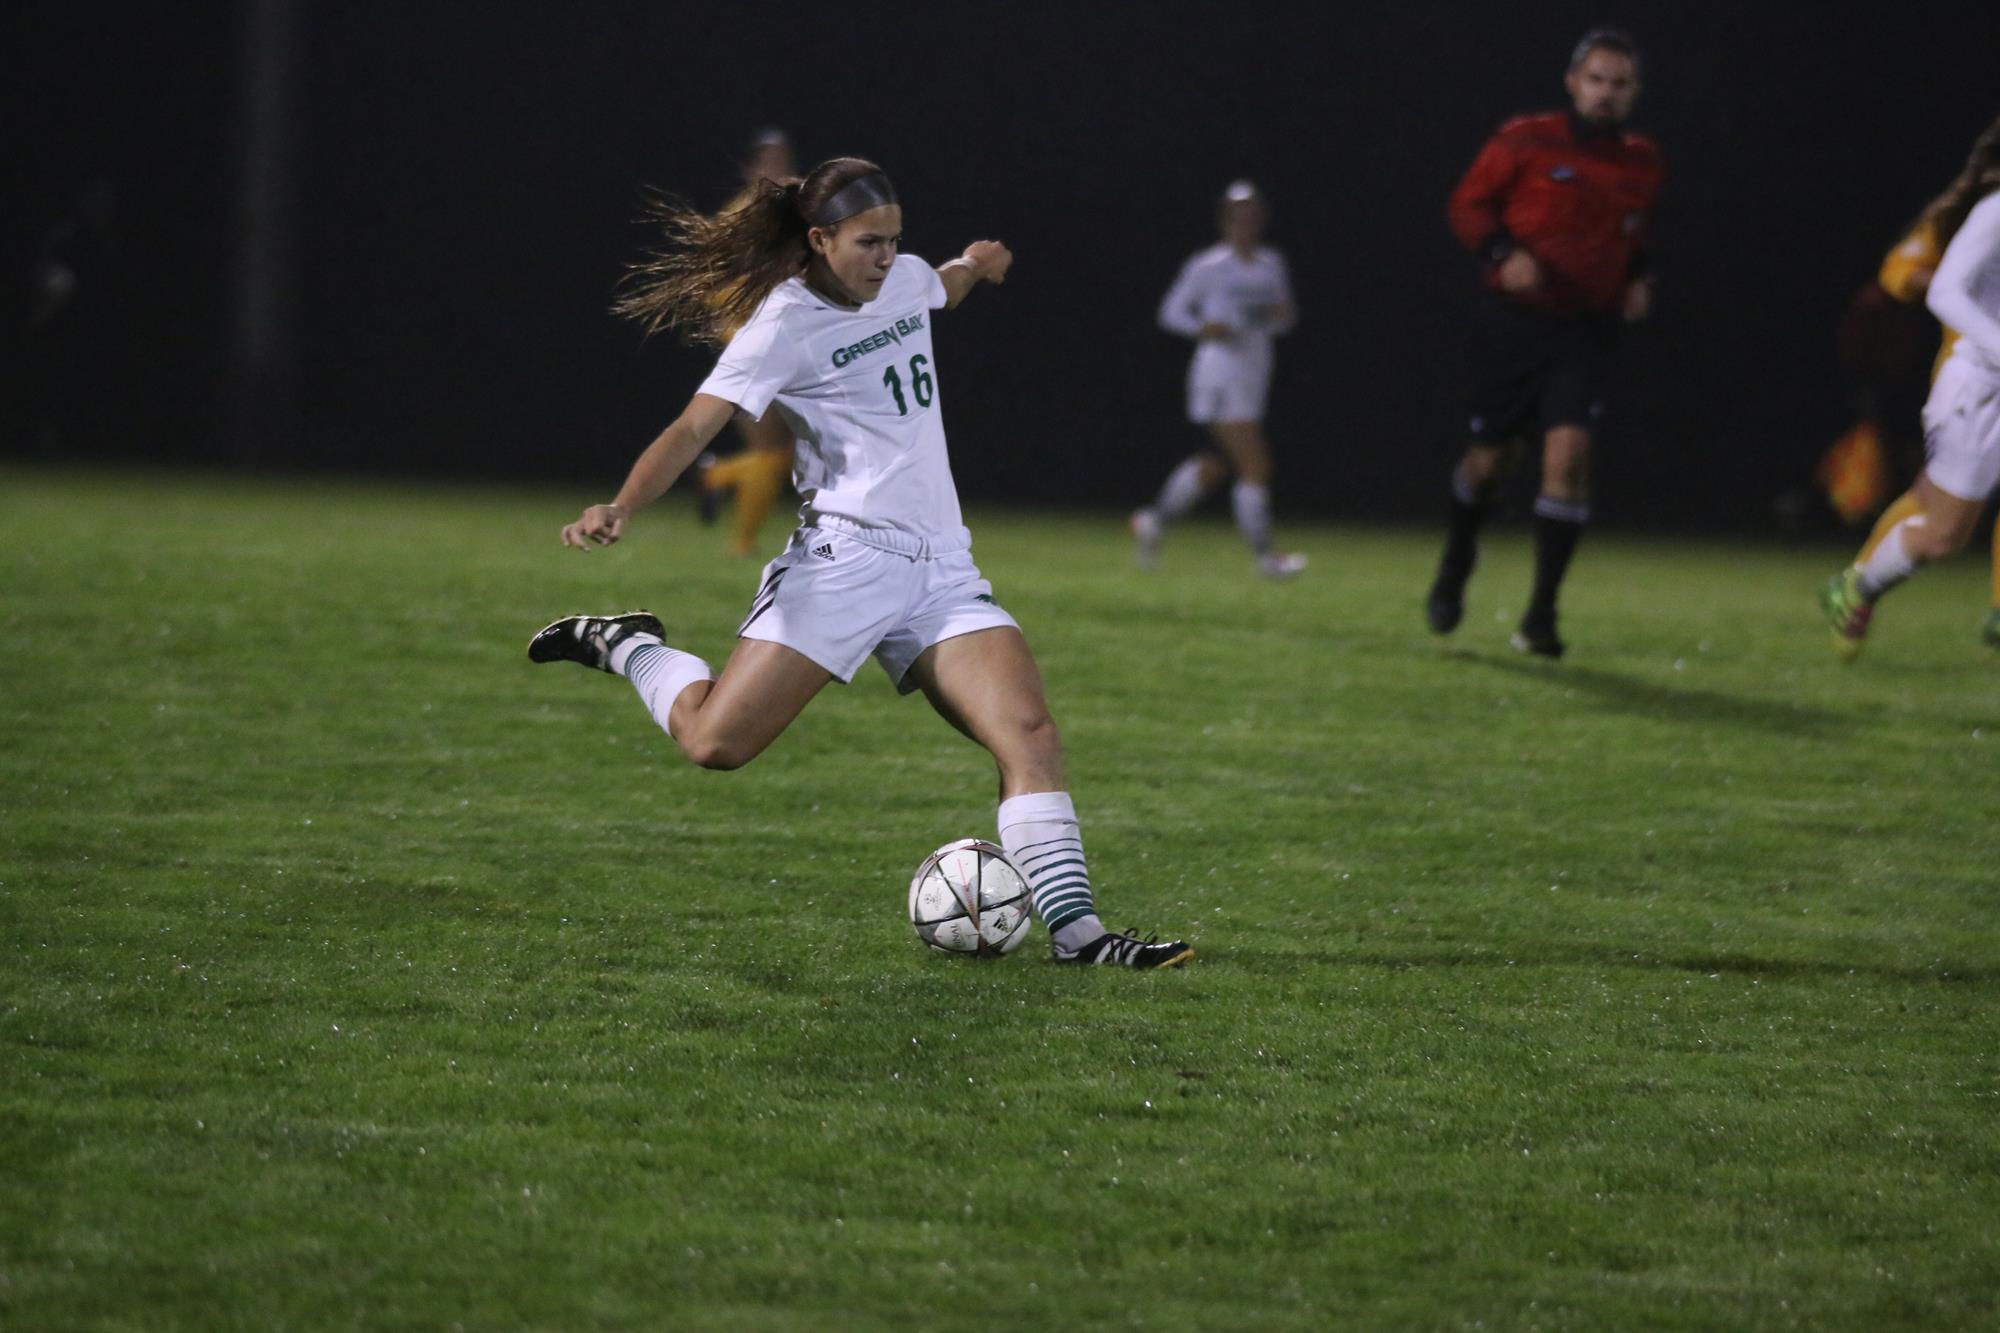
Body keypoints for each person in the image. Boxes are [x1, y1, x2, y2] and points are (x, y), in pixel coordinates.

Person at [530, 156, 1193, 969]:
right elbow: (692, 429)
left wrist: (978, 266)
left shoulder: (904, 278)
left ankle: (1081, 938)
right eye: (869, 242)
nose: (887, 257)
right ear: (820, 238)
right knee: (715, 744)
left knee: (1031, 735)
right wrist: (622, 505)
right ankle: (631, 643)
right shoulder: (784, 324)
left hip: (941, 568)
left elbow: (939, 284)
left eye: (895, 240)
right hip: (845, 564)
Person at [1424, 29, 1665, 658]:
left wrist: (1639, 277)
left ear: (1634, 92)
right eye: (1597, 79)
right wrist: (1504, 253)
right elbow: (1468, 205)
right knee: (1487, 465)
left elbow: (1631, 237)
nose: (1606, 93)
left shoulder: (1642, 161)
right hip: (1515, 324)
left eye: (1619, 83)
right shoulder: (1525, 139)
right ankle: (1456, 563)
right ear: (1573, 82)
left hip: (1585, 330)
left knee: (1570, 457)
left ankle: (1540, 615)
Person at [1820, 148, 2000, 660]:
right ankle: (1858, 586)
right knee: (1943, 533)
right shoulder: (1989, 209)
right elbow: (1936, 286)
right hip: (1980, 385)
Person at [1132, 181, 1306, 578]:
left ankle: (1153, 522)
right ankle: (1268, 559)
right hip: (1219, 374)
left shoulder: (1270, 265)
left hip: (1255, 374)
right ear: (1225, 221)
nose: (1246, 222)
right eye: (1237, 216)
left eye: (1252, 215)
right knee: (1256, 465)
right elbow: (1171, 312)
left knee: (1214, 466)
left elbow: (1284, 318)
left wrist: (1279, 316)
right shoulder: (1208, 266)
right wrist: (1203, 328)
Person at [692, 128, 804, 557]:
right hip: (754, 350)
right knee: (775, 451)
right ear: (750, 169)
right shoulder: (740, 218)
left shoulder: (792, 215)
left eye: (784, 161)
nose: (777, 170)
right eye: (768, 162)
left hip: (787, 347)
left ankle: (719, 478)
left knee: (784, 453)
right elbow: (710, 285)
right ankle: (741, 542)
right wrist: (736, 326)